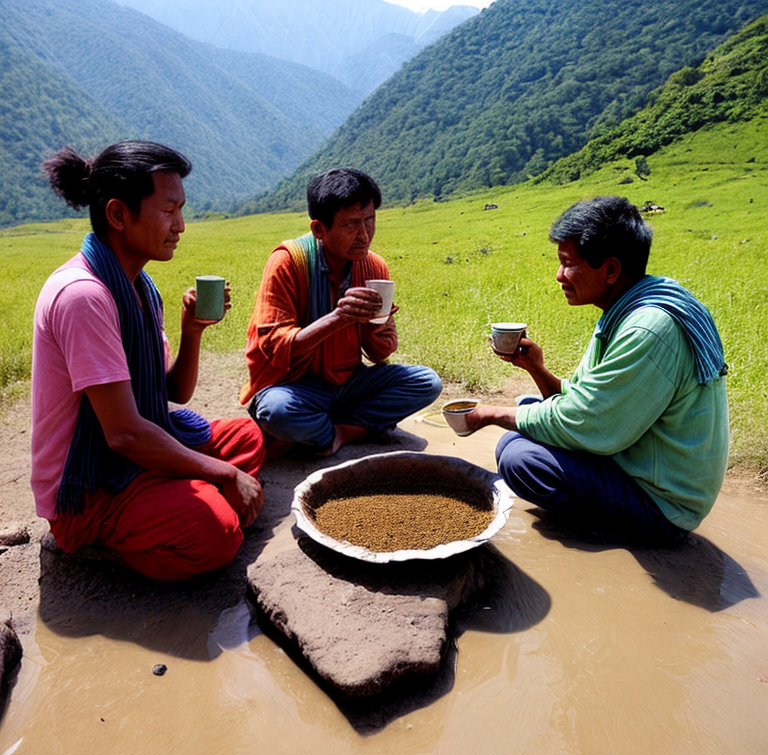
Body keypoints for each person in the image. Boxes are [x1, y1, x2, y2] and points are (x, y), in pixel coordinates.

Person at [32, 140, 265, 581]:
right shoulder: (84, 296)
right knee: (216, 532)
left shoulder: (139, 287)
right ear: (118, 215)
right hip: (92, 484)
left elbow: (173, 392)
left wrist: (191, 332)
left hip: (136, 452)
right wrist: (223, 475)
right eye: (168, 210)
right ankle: (100, 545)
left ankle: (171, 495)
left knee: (247, 437)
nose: (180, 225)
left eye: (182, 210)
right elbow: (122, 434)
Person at [465, 196, 729, 545]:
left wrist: (490, 414)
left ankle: (610, 530)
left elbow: (590, 422)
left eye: (567, 263)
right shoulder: (629, 306)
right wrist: (536, 369)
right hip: (634, 455)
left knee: (519, 457)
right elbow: (585, 402)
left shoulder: (648, 328)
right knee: (529, 411)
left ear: (610, 270)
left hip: (664, 505)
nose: (559, 275)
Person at [240, 167, 442, 455]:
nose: (364, 235)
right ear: (319, 230)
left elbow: (380, 353)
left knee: (426, 382)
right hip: (296, 387)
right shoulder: (288, 262)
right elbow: (275, 346)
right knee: (277, 411)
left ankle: (337, 433)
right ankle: (361, 425)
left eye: (370, 221)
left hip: (350, 382)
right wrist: (338, 318)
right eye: (351, 225)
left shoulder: (373, 266)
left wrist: (378, 323)